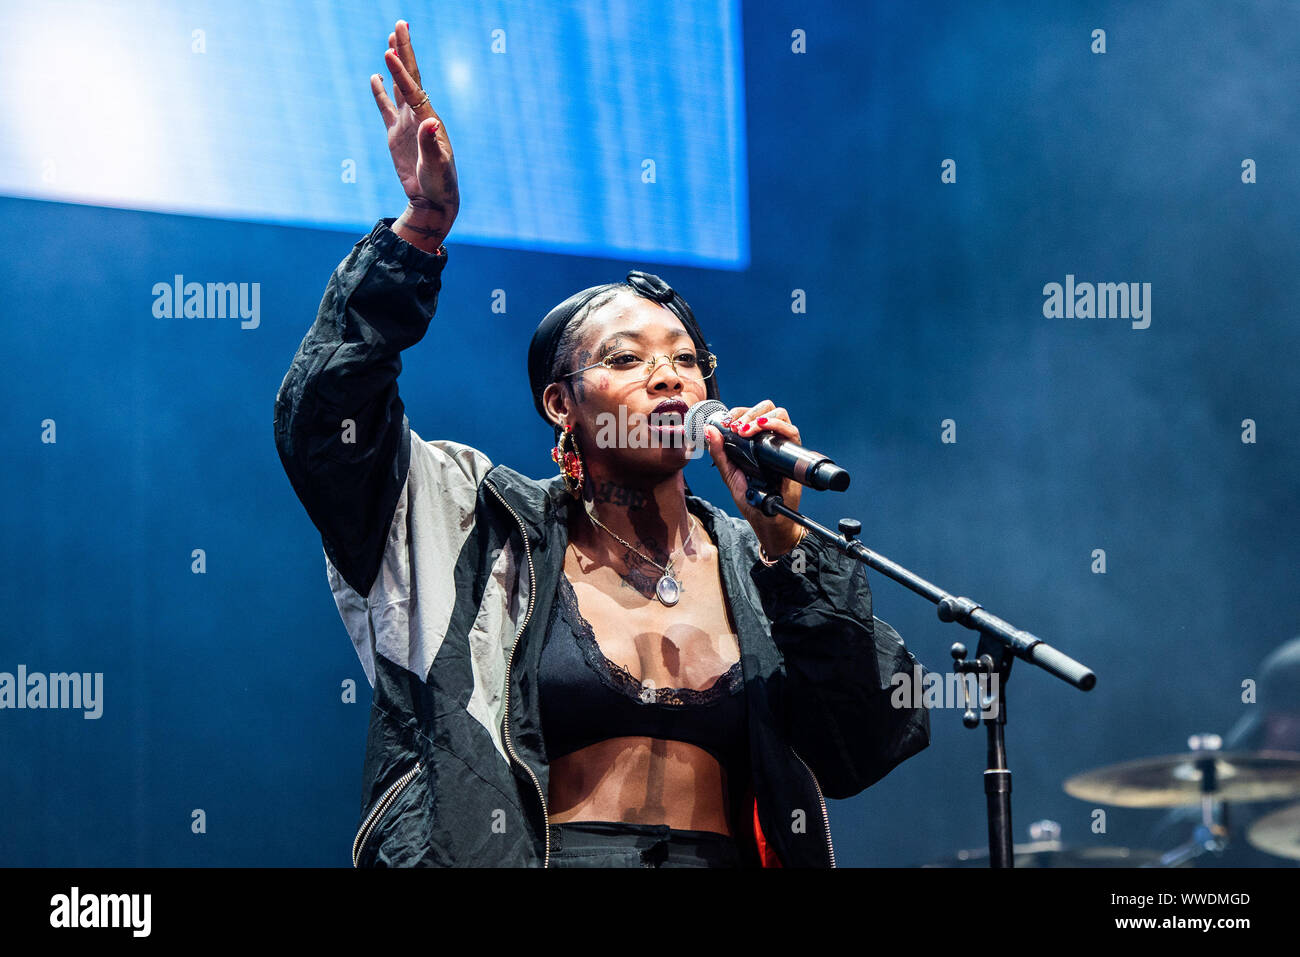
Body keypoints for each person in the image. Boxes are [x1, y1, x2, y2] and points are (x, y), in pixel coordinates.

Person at [273, 19, 930, 867]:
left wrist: (789, 550)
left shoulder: (755, 558)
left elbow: (866, 739)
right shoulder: (476, 524)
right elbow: (323, 426)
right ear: (561, 405)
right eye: (626, 359)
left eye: (687, 361)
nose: (669, 377)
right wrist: (420, 233)